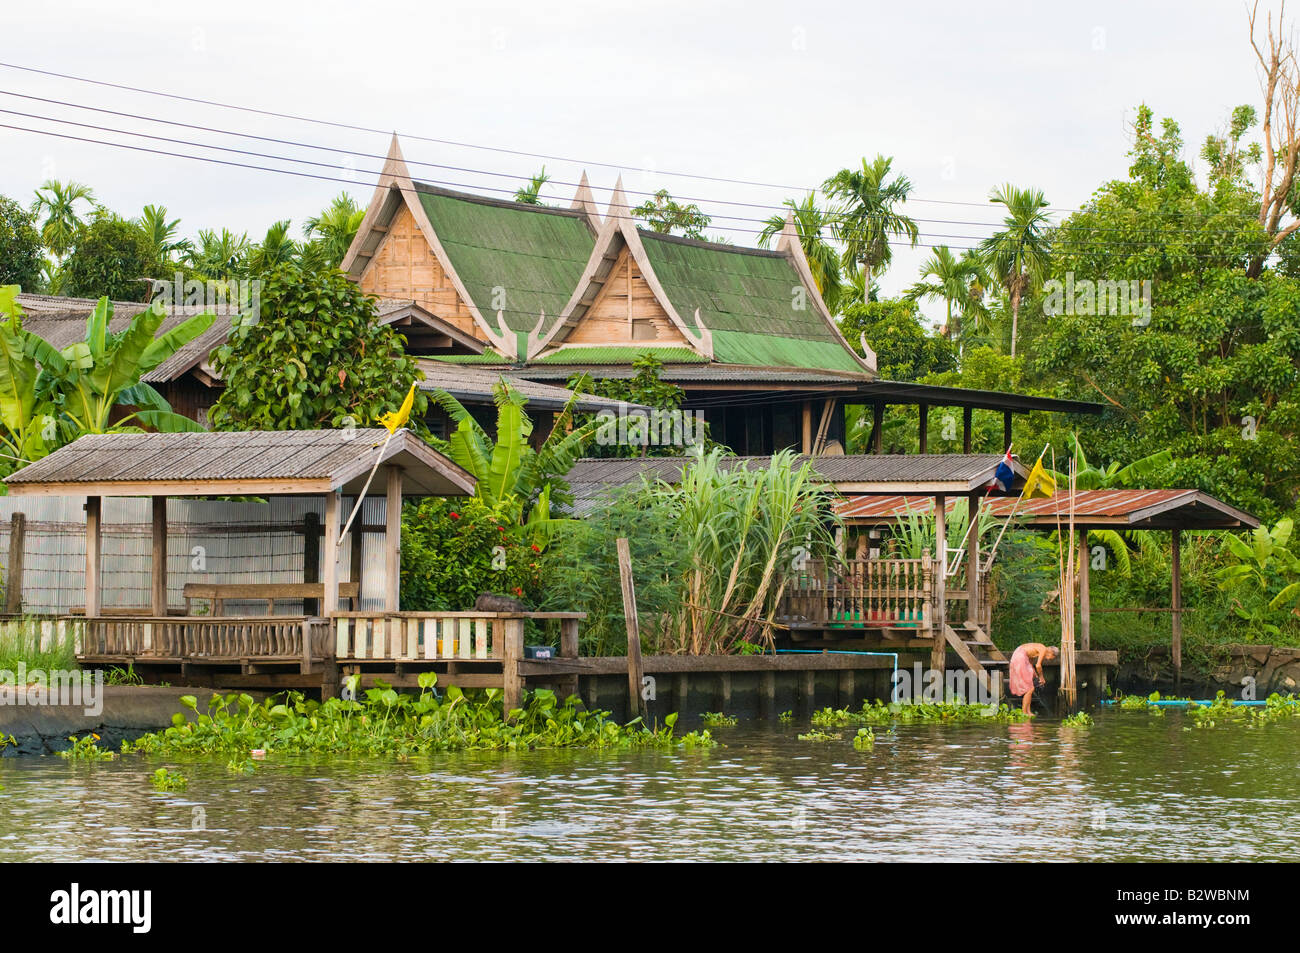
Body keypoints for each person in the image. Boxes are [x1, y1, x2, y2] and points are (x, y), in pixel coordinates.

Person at [1009, 642, 1058, 714]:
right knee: (1030, 689)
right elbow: (1038, 665)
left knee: (1031, 687)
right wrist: (1041, 677)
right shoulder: (1043, 649)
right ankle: (1024, 712)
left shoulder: (1038, 649)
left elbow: (1030, 664)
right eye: (1052, 658)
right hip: (1020, 656)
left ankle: (1028, 711)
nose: (1050, 659)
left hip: (1019, 653)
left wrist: (1036, 675)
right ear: (1051, 652)